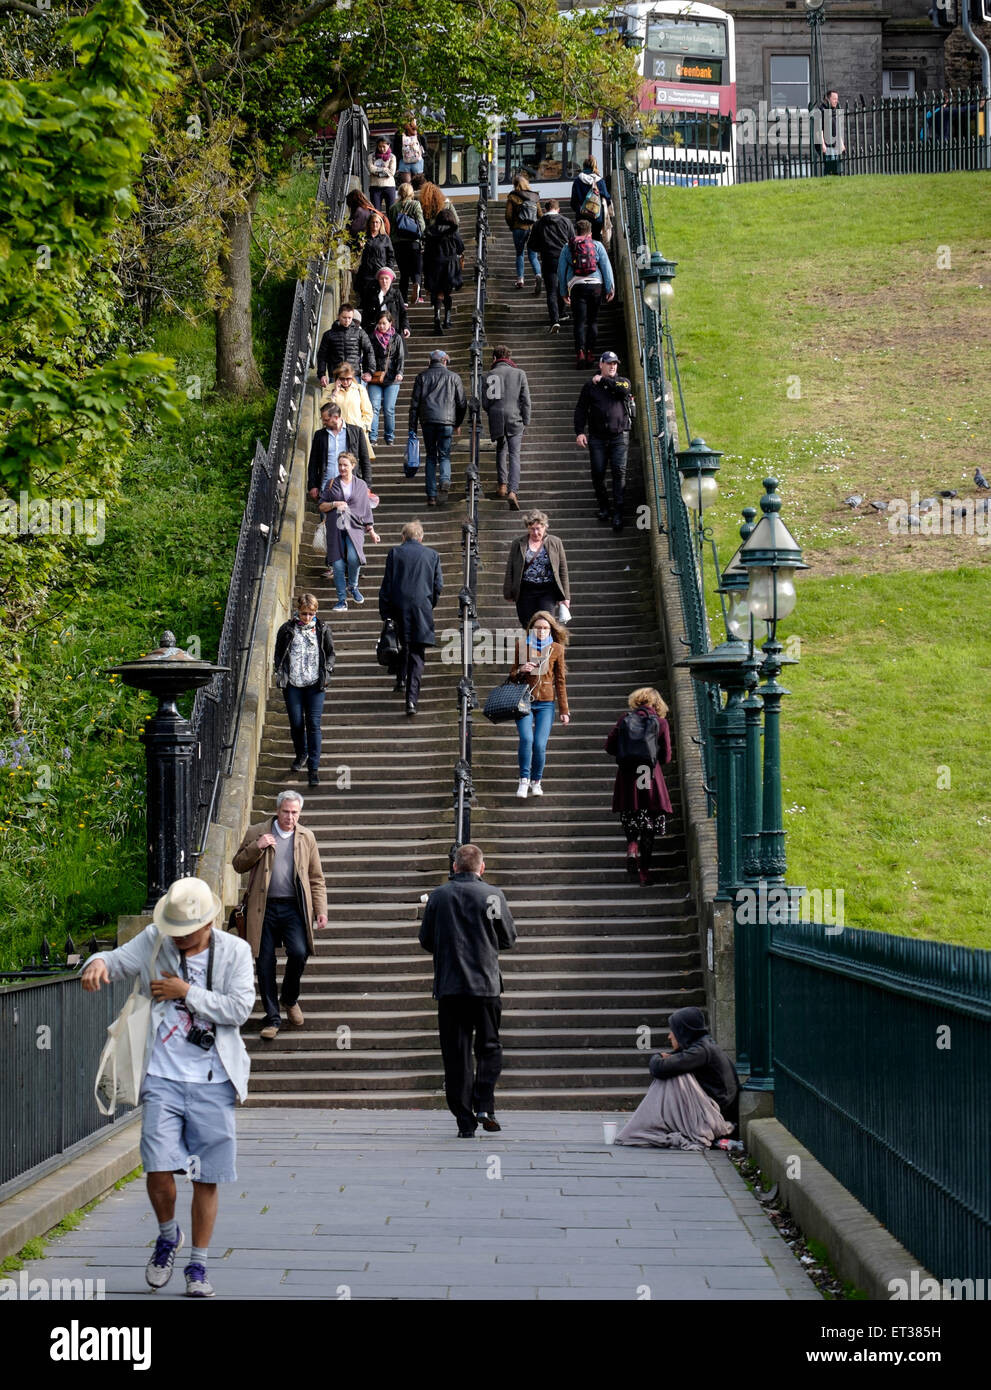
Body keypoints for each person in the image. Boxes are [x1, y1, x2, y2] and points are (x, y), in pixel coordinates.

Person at [81, 876, 255, 1298]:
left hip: (213, 1079)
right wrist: (98, 963)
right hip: (162, 1076)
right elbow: (118, 958)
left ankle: (198, 1265)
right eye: (173, 930)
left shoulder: (235, 952)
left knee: (206, 1176)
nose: (178, 939)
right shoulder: (156, 940)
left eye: (186, 932)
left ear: (208, 923)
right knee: (157, 1166)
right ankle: (166, 1236)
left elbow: (241, 1009)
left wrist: (187, 992)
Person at [418, 843, 516, 1137]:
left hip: (450, 986)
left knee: (456, 1053)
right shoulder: (493, 895)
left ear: (454, 867)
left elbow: (425, 939)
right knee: (489, 1046)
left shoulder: (438, 896)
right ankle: (484, 1103)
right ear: (481, 868)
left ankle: (464, 1120)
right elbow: (508, 938)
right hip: (485, 984)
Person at [232, 792, 328, 1042]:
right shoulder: (257, 831)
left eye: (295, 812)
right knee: (264, 963)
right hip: (262, 908)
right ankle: (272, 1018)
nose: (290, 817)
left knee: (299, 951)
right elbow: (238, 864)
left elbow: (316, 878)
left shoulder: (307, 837)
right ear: (277, 811)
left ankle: (289, 998)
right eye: (286, 811)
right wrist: (257, 846)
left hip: (294, 908)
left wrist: (321, 910)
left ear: (300, 813)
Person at [615, 1007, 738, 1151]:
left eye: (673, 1031)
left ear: (683, 1031)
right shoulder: (704, 1046)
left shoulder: (701, 1051)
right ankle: (649, 1122)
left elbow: (659, 1068)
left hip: (715, 1119)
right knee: (673, 1070)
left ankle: (645, 1125)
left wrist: (659, 1056)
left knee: (676, 1075)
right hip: (716, 1113)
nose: (669, 1036)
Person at [604, 687, 673, 887]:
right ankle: (644, 873)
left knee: (631, 815)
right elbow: (667, 757)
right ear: (657, 703)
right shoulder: (661, 723)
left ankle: (632, 846)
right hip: (649, 777)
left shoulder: (624, 720)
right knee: (648, 825)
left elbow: (609, 746)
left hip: (628, 777)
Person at [378, 519, 443, 715]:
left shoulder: (395, 553)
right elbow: (438, 585)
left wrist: (385, 612)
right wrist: (428, 603)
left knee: (400, 644)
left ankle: (400, 679)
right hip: (421, 607)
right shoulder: (432, 555)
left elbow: (387, 584)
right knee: (416, 653)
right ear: (421, 538)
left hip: (399, 606)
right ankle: (411, 700)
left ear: (403, 537)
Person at [274, 593, 336, 787]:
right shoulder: (287, 629)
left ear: (315, 612)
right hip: (293, 683)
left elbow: (330, 652)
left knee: (313, 725)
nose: (307, 617)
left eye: (311, 614)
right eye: (304, 614)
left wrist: (327, 671)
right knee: (296, 723)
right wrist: (280, 669)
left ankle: (313, 768)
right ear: (297, 611)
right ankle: (301, 753)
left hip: (315, 684)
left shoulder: (323, 629)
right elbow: (279, 653)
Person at [508, 609, 570, 798]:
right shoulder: (522, 646)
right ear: (531, 629)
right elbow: (512, 676)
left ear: (550, 629)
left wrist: (564, 710)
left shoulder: (557, 649)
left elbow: (560, 680)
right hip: (525, 701)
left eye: (545, 628)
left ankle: (536, 782)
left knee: (540, 744)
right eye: (538, 628)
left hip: (546, 703)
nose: (541, 631)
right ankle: (523, 781)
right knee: (527, 739)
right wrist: (521, 670)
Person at [574, 350, 634, 531]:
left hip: (619, 436)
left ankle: (618, 513)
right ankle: (604, 507)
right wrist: (579, 432)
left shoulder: (622, 381)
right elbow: (581, 409)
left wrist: (604, 380)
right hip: (597, 438)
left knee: (619, 473)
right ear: (601, 365)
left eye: (615, 363)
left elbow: (623, 390)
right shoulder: (589, 387)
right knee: (598, 473)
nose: (613, 366)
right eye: (609, 363)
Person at [318, 450, 380, 613]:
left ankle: (352, 586)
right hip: (335, 528)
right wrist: (334, 504)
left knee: (354, 558)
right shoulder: (331, 483)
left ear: (353, 465)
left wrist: (371, 530)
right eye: (340, 465)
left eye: (345, 465)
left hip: (355, 528)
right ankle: (341, 600)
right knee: (337, 565)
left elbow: (366, 509)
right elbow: (321, 506)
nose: (342, 468)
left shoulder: (361, 485)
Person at [408, 347, 467, 506]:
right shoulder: (454, 377)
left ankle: (431, 496)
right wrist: (457, 423)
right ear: (445, 361)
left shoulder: (421, 377)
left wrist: (412, 428)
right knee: (445, 454)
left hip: (427, 422)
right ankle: (445, 479)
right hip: (447, 421)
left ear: (429, 362)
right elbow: (462, 403)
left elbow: (414, 405)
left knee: (431, 456)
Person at [558, 218, 615, 369]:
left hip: (577, 286)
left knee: (579, 322)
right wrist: (609, 288)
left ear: (576, 232)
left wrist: (563, 292)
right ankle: (591, 353)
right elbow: (606, 268)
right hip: (596, 285)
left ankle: (580, 353)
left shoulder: (567, 247)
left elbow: (561, 271)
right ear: (590, 232)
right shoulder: (597, 245)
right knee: (593, 321)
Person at [503, 510, 570, 630]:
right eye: (532, 528)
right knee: (528, 625)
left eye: (538, 528)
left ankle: (545, 648)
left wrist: (565, 597)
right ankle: (531, 648)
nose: (535, 532)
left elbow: (562, 570)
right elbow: (511, 568)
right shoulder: (518, 543)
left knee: (546, 624)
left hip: (547, 591)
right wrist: (508, 591)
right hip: (525, 591)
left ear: (545, 527)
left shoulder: (555, 542)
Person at [482, 344, 530, 508]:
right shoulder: (519, 374)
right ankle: (512, 490)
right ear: (509, 358)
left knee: (501, 450)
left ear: (495, 358)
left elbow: (485, 402)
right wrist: (526, 420)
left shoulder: (488, 375)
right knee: (514, 454)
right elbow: (526, 401)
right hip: (515, 417)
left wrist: (493, 411)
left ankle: (502, 485)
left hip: (496, 417)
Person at [527, 198, 573, 333]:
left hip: (548, 260)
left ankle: (554, 320)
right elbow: (572, 240)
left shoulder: (538, 224)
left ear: (545, 209)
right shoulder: (566, 221)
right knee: (563, 286)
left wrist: (543, 247)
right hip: (564, 259)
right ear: (558, 209)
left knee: (551, 291)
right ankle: (562, 312)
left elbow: (532, 245)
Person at [308, 402, 372, 494]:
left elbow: (365, 460)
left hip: (351, 488)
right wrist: (312, 486)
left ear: (336, 417)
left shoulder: (356, 432)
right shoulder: (319, 435)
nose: (323, 422)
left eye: (326, 420)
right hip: (326, 488)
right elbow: (313, 462)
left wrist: (367, 485)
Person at [422, 206, 464, 336]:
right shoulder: (453, 232)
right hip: (450, 266)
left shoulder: (430, 232)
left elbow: (426, 250)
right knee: (447, 292)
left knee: (438, 293)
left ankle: (437, 317)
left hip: (434, 265)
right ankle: (447, 319)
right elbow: (461, 247)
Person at [367, 310, 404, 446]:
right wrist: (368, 371)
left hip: (392, 377)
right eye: (379, 323)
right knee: (374, 407)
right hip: (375, 376)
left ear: (390, 323)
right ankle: (373, 437)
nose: (381, 326)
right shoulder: (371, 337)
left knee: (389, 408)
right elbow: (367, 356)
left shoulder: (396, 338)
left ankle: (389, 436)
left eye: (384, 323)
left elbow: (400, 357)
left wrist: (400, 372)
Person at [316, 303, 374, 386]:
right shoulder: (328, 335)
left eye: (350, 318)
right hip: (335, 375)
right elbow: (322, 356)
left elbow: (369, 352)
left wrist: (369, 371)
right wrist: (322, 374)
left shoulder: (360, 333)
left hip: (354, 375)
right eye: (344, 317)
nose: (347, 320)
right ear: (338, 316)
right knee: (335, 398)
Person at [353, 211, 398, 308]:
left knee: (380, 300)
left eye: (377, 222)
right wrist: (359, 247)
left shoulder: (385, 238)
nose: (374, 224)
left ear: (380, 224)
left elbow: (391, 256)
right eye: (372, 222)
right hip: (366, 273)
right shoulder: (362, 237)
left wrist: (388, 270)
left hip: (380, 272)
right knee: (366, 300)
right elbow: (354, 253)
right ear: (369, 224)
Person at [504, 172, 541, 290]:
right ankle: (538, 275)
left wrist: (512, 225)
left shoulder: (512, 196)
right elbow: (540, 214)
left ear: (515, 185)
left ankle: (520, 279)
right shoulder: (535, 196)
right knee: (533, 256)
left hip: (519, 228)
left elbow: (508, 215)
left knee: (519, 253)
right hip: (533, 229)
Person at [392, 181, 426, 305]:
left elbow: (392, 228)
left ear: (399, 193)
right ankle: (418, 291)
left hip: (398, 244)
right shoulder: (416, 205)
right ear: (411, 193)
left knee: (404, 273)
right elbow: (421, 225)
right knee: (417, 270)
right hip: (413, 243)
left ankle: (404, 300)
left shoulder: (393, 208)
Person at [323, 362, 374, 437]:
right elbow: (324, 408)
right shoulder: (330, 389)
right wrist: (335, 392)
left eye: (348, 379)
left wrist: (364, 427)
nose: (345, 382)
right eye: (342, 379)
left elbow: (368, 412)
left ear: (352, 377)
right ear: (337, 377)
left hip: (356, 433)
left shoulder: (359, 389)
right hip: (336, 433)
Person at [360, 264, 409, 339]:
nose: (384, 281)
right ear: (378, 280)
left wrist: (405, 327)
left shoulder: (396, 294)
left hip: (393, 331)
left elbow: (403, 313)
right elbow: (366, 312)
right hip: (375, 331)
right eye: (381, 278)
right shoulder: (371, 294)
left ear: (391, 280)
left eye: (387, 278)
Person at [570, 154, 611, 241]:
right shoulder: (599, 181)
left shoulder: (577, 181)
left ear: (584, 166)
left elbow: (573, 201)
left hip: (582, 216)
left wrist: (578, 209)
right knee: (596, 240)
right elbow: (607, 198)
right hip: (597, 216)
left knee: (582, 240)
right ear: (594, 166)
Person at [816, 89, 845, 175]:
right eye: (834, 99)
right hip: (827, 144)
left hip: (834, 144)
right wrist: (823, 144)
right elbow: (819, 130)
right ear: (828, 99)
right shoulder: (821, 111)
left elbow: (837, 129)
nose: (836, 101)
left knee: (836, 168)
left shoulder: (833, 111)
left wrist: (842, 143)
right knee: (830, 169)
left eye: (837, 99)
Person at [368, 136, 398, 212]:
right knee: (376, 211)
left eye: (384, 146)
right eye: (379, 146)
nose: (382, 149)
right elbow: (371, 169)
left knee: (391, 210)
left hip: (389, 186)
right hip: (375, 186)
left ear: (389, 145)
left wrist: (377, 172)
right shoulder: (371, 156)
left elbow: (391, 172)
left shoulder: (392, 157)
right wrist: (384, 170)